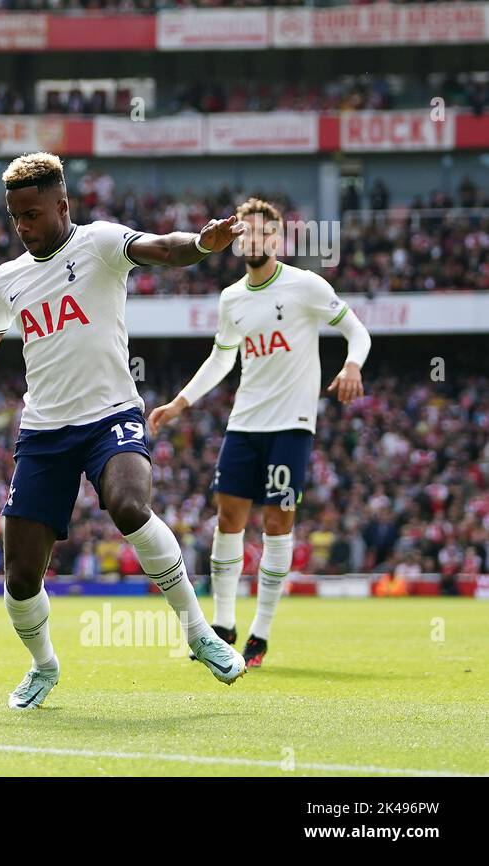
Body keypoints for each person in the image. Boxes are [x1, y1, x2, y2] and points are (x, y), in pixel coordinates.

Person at [0, 152, 247, 711]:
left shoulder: (99, 244)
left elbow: (163, 248)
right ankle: (44, 665)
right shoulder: (8, 278)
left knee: (129, 506)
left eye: (33, 215)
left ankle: (198, 632)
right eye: (16, 217)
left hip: (112, 414)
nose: (22, 227)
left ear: (62, 205)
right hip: (44, 432)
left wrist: (203, 245)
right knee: (20, 577)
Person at [149, 197, 370, 668]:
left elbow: (358, 331)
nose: (252, 238)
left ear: (276, 239)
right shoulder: (231, 299)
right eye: (244, 232)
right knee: (228, 520)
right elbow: (221, 359)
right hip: (244, 424)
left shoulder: (305, 286)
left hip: (292, 427)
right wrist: (180, 403)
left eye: (261, 232)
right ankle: (224, 625)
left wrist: (352, 364)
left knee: (276, 525)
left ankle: (260, 634)